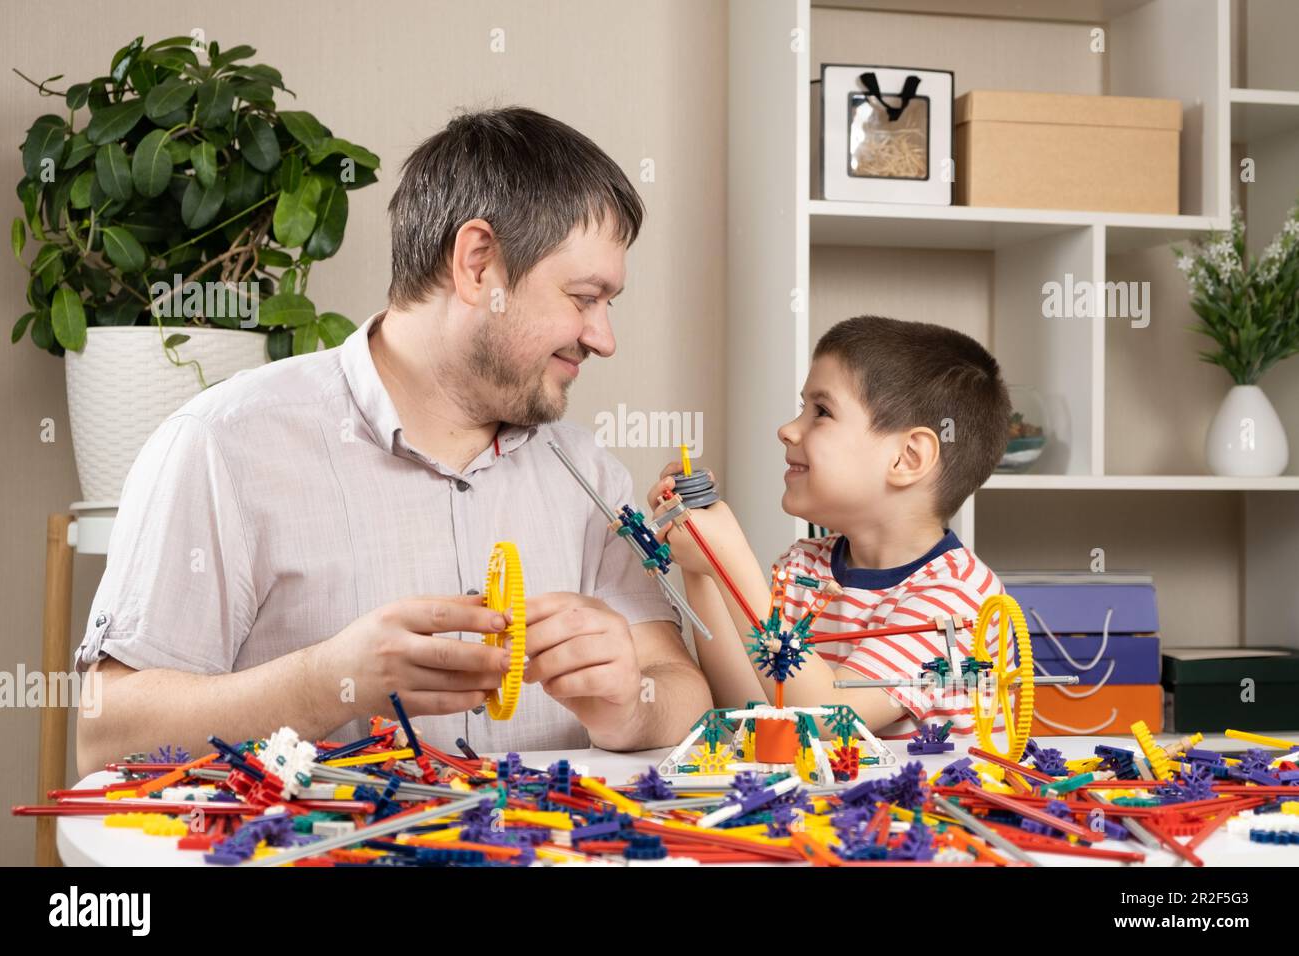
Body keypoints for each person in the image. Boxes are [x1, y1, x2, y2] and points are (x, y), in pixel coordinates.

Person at [73, 106, 711, 776]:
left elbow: (684, 690)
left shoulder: (586, 472)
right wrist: (324, 682)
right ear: (476, 264)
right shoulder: (223, 446)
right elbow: (105, 736)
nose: (603, 338)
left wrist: (634, 706)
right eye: (584, 297)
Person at [647, 315, 1012, 740]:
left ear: (907, 458)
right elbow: (752, 711)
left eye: (821, 411)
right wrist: (704, 569)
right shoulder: (804, 566)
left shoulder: (959, 600)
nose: (787, 430)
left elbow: (825, 719)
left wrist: (733, 565)